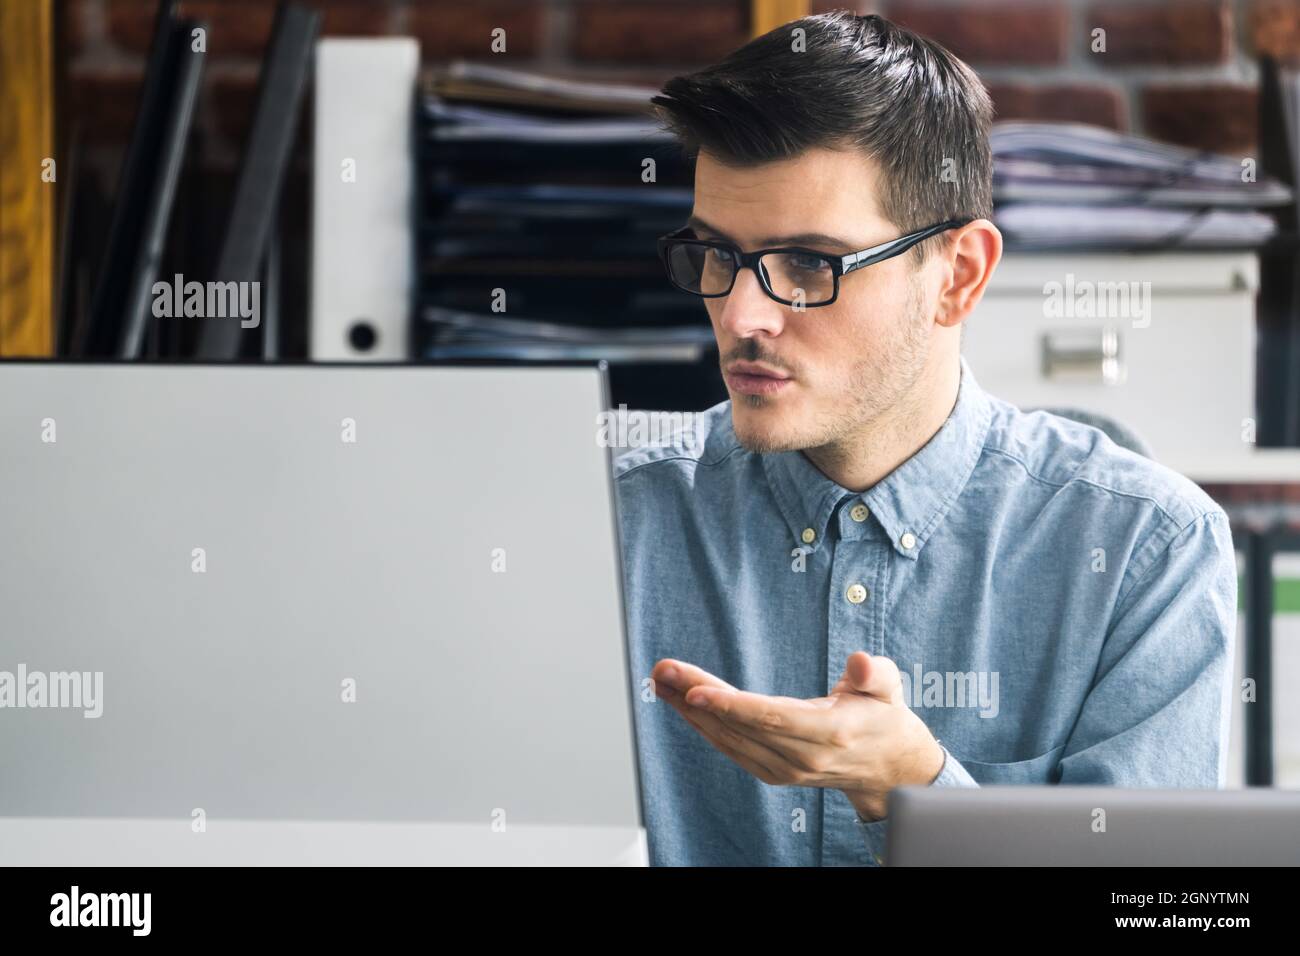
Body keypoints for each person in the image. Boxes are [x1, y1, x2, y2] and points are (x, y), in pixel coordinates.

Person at [612, 11, 1237, 867]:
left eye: (807, 265)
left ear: (958, 276)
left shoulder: (1145, 550)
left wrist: (917, 794)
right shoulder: (609, 524)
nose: (741, 317)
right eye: (714, 255)